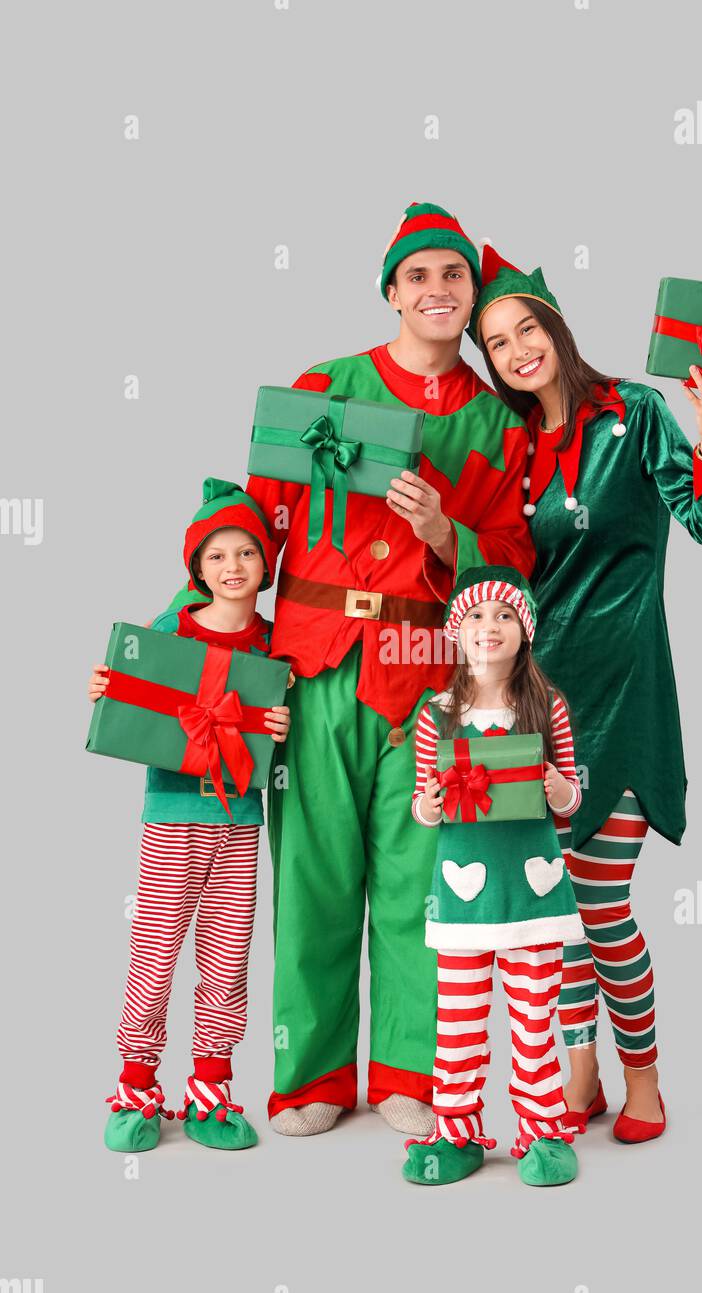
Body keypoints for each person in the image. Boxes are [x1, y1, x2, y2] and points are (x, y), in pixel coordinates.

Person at [166, 203, 536, 1137]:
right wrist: (181, 640)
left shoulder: (496, 424)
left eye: (454, 276)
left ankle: (416, 1074)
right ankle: (310, 1076)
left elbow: (514, 559)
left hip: (427, 672)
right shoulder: (321, 388)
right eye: (419, 277)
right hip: (311, 668)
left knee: (424, 877)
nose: (438, 291)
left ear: (471, 294)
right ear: (392, 291)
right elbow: (245, 532)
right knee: (313, 875)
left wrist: (442, 532)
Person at [470, 247, 702, 1143]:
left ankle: (646, 1082)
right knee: (556, 915)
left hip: (625, 699)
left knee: (602, 907)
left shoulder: (633, 413)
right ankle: (579, 1072)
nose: (517, 350)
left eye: (527, 329)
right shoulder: (511, 444)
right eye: (496, 342)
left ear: (556, 326)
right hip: (537, 706)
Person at [89, 479, 289, 1152]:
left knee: (228, 960)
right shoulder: (172, 630)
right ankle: (136, 1088)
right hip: (173, 818)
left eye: (247, 554)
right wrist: (107, 685)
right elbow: (132, 691)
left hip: (240, 822)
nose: (233, 568)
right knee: (156, 952)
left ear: (266, 565)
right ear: (197, 569)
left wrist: (278, 721)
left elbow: (277, 729)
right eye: (217, 557)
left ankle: (210, 1093)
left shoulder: (274, 643)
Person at [402, 565, 585, 1187]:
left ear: (524, 631)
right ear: (457, 632)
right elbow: (424, 805)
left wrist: (560, 787)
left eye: (504, 616)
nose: (489, 627)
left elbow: (570, 798)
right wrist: (428, 804)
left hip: (532, 892)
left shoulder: (547, 705)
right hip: (461, 893)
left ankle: (542, 1132)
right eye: (476, 616)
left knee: (536, 1024)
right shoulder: (438, 714)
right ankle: (455, 1133)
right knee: (457, 1026)